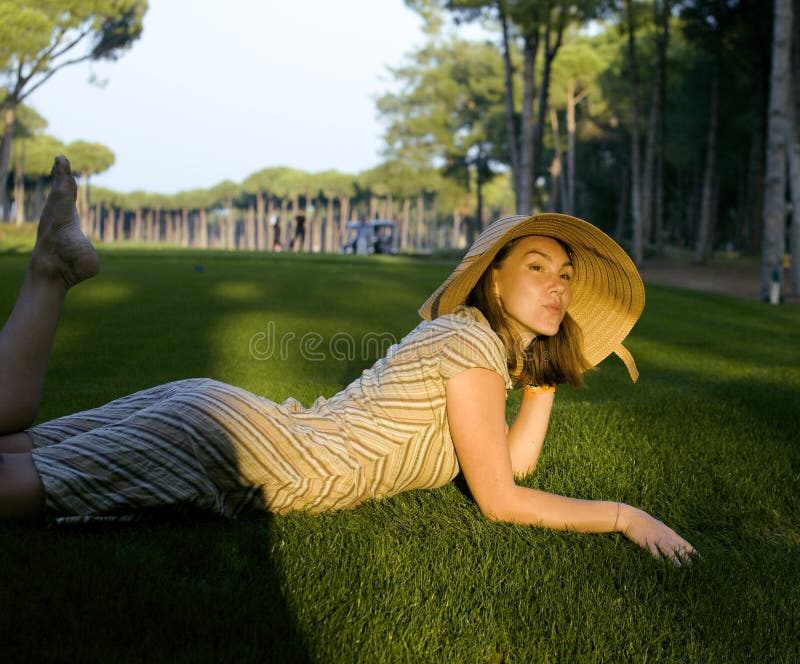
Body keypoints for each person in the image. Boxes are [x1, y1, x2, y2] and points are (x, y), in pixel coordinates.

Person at [0, 156, 695, 564]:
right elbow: (501, 497)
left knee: (13, 447)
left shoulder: (474, 344)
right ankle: (49, 274)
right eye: (537, 265)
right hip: (239, 448)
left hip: (229, 423)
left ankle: (49, 273)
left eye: (566, 276)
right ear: (493, 276)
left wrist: (544, 378)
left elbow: (509, 462)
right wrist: (623, 516)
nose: (557, 284)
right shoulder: (471, 347)